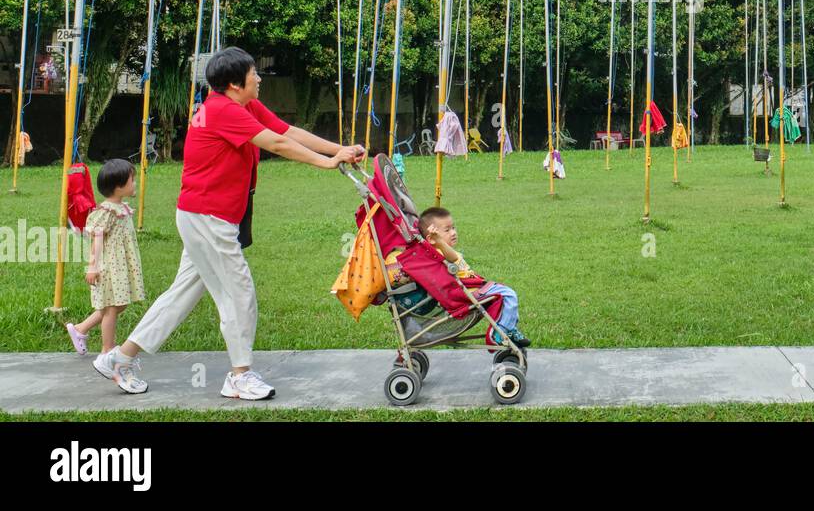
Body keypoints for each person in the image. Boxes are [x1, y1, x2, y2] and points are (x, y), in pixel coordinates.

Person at [96, 46, 364, 399]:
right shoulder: (223, 111)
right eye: (254, 73)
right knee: (239, 292)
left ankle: (121, 357)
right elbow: (278, 143)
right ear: (236, 83)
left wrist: (337, 149)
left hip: (203, 216)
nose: (259, 77)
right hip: (207, 218)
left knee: (183, 293)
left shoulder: (241, 104)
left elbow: (287, 130)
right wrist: (327, 163)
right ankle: (239, 375)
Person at [417, 206, 530, 348]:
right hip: (466, 293)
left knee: (506, 295)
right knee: (509, 295)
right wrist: (439, 242)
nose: (453, 233)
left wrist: (440, 240)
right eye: (447, 230)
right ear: (432, 239)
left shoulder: (442, 249)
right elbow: (451, 258)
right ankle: (500, 332)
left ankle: (509, 328)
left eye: (453, 228)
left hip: (472, 288)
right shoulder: (438, 251)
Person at [66, 160, 145, 357]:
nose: (135, 184)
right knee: (111, 308)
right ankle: (107, 349)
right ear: (118, 187)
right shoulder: (107, 212)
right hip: (110, 266)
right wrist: (92, 266)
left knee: (119, 304)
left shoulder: (122, 208)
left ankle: (80, 328)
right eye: (132, 181)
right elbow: (97, 240)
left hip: (120, 265)